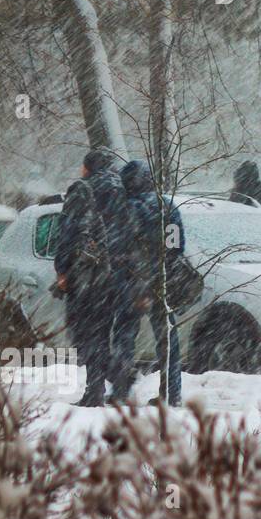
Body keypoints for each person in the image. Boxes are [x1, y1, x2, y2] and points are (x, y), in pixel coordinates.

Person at [54, 148, 135, 407]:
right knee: (100, 333)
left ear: (87, 167)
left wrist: (63, 269)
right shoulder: (122, 192)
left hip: (85, 274)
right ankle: (100, 388)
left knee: (83, 334)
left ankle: (112, 379)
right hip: (113, 275)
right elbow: (129, 234)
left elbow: (68, 232)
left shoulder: (82, 190)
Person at [111, 159, 184, 406]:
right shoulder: (168, 205)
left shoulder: (128, 208)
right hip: (163, 283)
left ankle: (121, 392)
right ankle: (172, 394)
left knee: (124, 337)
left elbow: (123, 249)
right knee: (168, 342)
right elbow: (176, 246)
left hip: (133, 282)